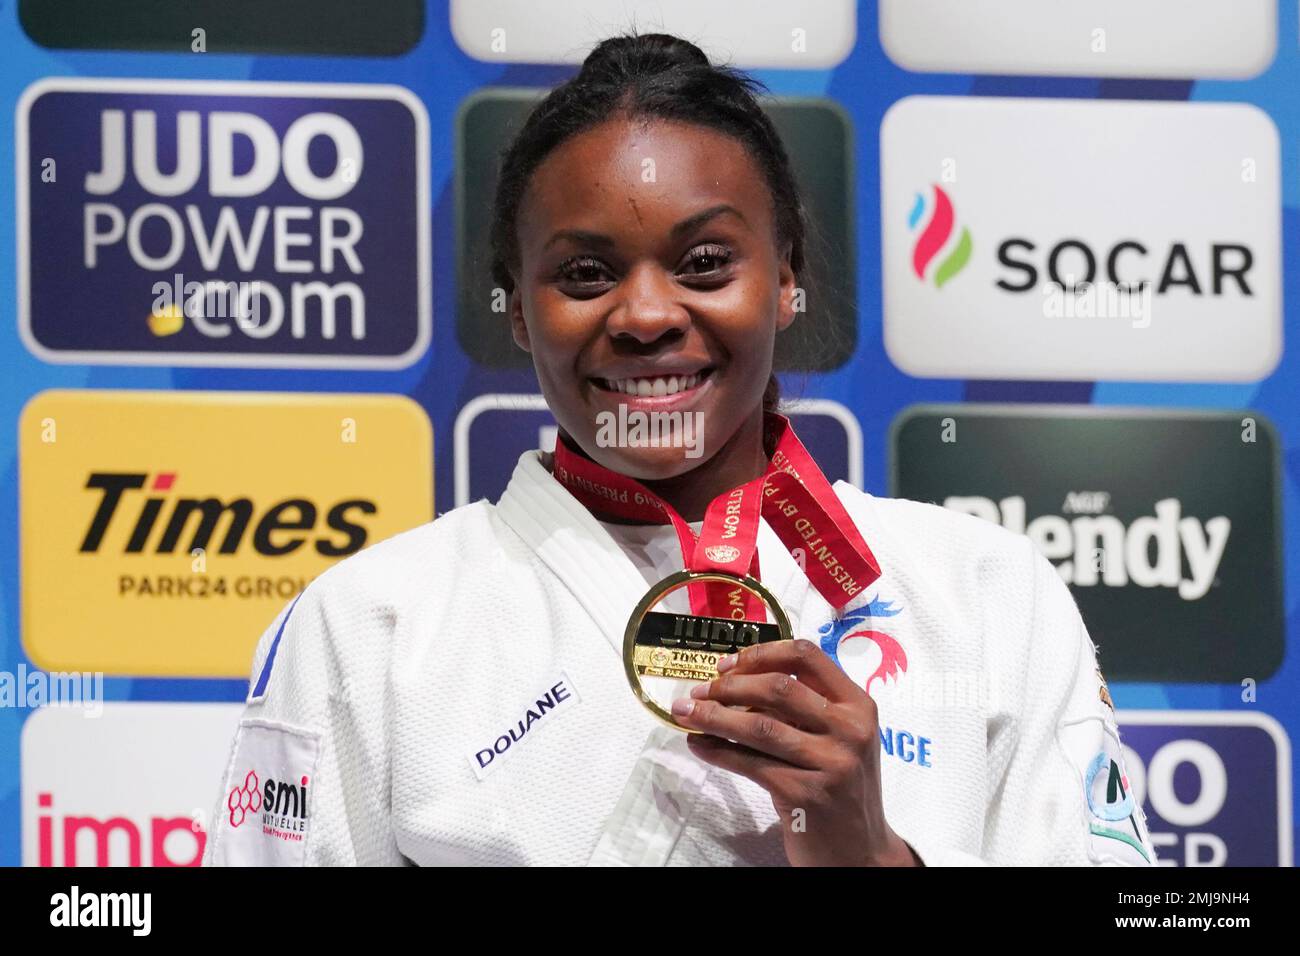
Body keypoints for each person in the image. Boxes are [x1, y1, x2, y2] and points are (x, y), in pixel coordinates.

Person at [203, 32, 1156, 867]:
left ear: (786, 281)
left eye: (705, 263)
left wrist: (873, 858)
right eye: (585, 274)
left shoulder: (988, 596)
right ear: (521, 313)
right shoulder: (373, 626)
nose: (649, 314)